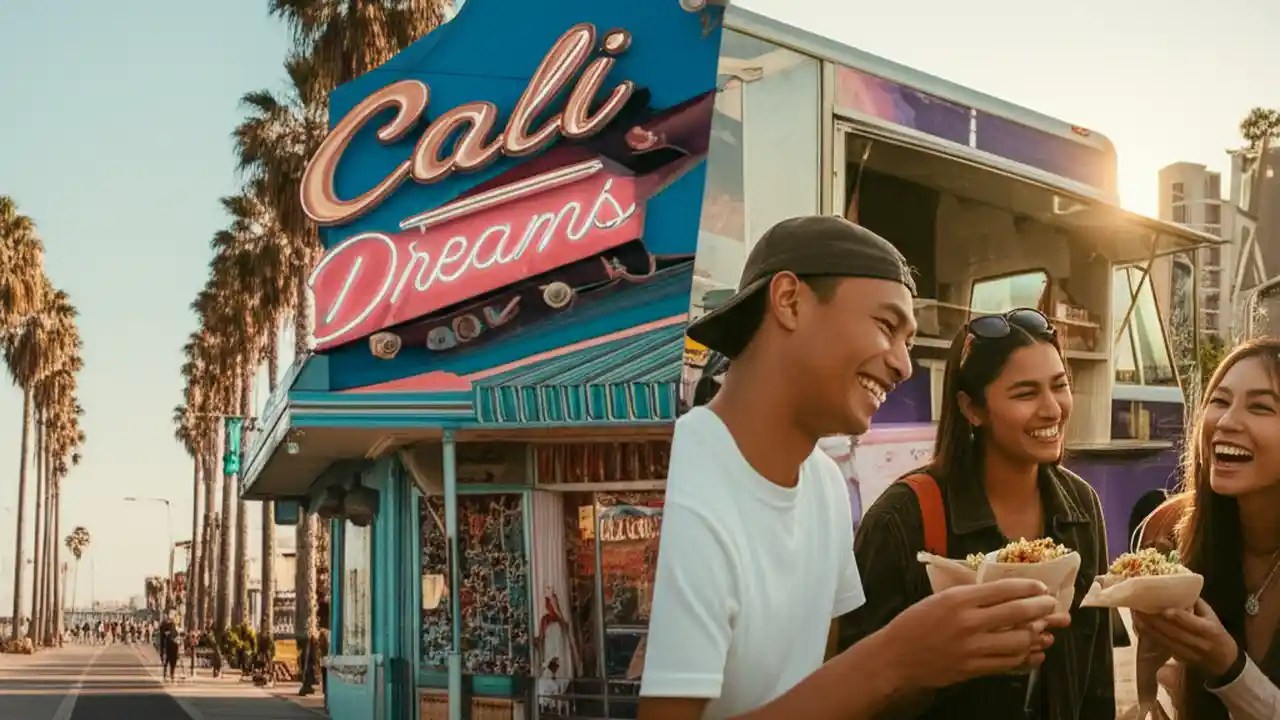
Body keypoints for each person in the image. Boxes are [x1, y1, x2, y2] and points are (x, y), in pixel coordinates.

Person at [638, 216, 1065, 720]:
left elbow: (822, 689)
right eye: (887, 326)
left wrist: (945, 660)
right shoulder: (682, 490)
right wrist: (894, 660)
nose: (904, 365)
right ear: (789, 301)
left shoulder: (824, 485)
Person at [838, 309, 1113, 719]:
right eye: (1025, 393)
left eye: (1060, 386)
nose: (1053, 409)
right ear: (972, 408)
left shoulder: (1081, 507)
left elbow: (1096, 686)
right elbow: (855, 689)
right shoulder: (904, 519)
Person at [1132, 338, 1280, 719]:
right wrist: (1152, 683)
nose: (1227, 422)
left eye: (1261, 407)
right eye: (1219, 401)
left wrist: (1228, 666)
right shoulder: (1168, 535)